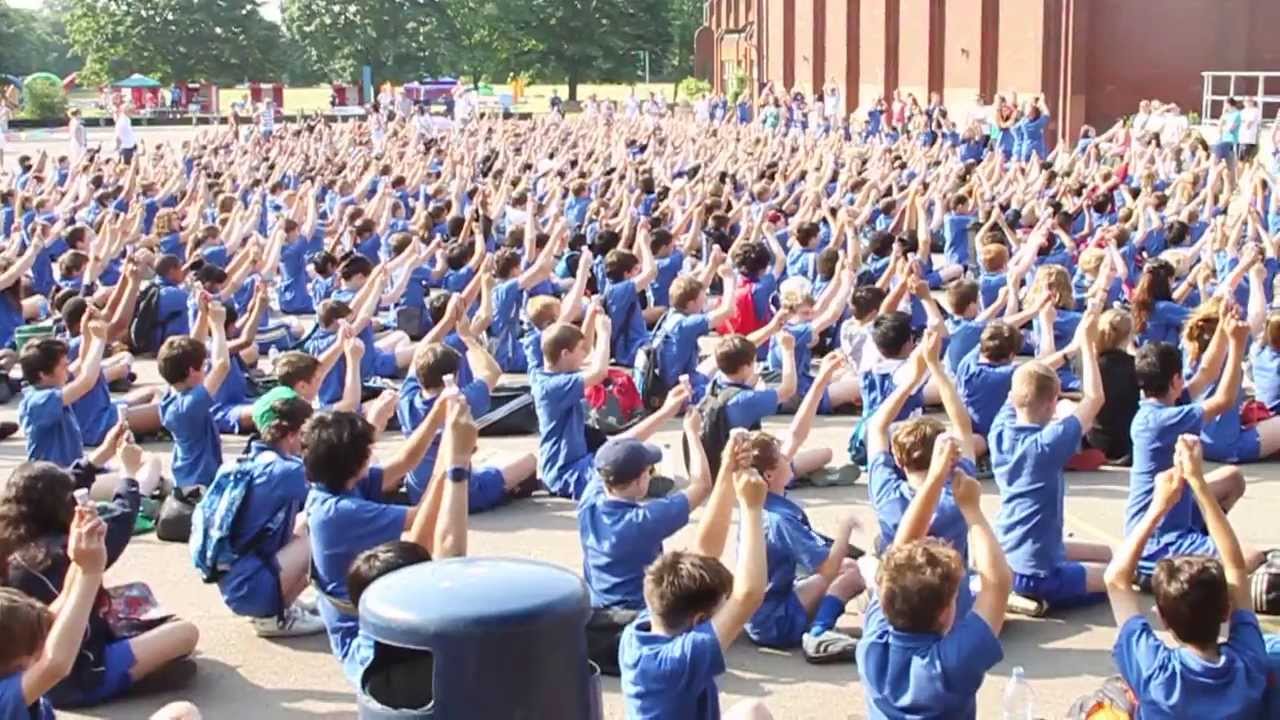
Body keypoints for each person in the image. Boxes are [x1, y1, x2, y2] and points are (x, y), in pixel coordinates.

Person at [0, 458, 199, 708]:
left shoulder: (12, 546)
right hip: (76, 676)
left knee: (137, 593)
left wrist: (82, 565)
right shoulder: (50, 554)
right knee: (186, 633)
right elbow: (56, 656)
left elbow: (52, 616)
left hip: (37, 664)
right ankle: (129, 677)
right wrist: (89, 569)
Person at [1104, 435, 1269, 717]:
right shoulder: (1249, 661)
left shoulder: (1157, 672)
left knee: (1108, 696)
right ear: (1226, 611)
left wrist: (1158, 507)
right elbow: (1235, 567)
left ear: (1163, 619)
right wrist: (1198, 483)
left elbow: (1116, 580)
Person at [857, 436, 1012, 719]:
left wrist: (935, 478)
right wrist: (972, 509)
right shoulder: (951, 664)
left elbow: (901, 549)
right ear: (945, 613)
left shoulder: (872, 645)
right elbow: (998, 585)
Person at [619, 440, 774, 720]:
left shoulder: (641, 631)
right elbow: (748, 596)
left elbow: (704, 551)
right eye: (720, 609)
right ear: (699, 620)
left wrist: (727, 471)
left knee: (752, 712)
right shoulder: (676, 662)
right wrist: (752, 509)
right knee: (755, 713)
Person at [741, 354, 866, 663]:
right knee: (851, 572)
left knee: (839, 563)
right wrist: (845, 531)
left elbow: (797, 433)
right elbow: (827, 568)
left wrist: (822, 380)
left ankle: (818, 619)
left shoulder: (758, 497)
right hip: (774, 621)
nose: (790, 460)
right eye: (783, 460)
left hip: (765, 607)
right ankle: (819, 633)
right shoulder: (778, 519)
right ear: (770, 475)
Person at [990, 301, 1113, 613]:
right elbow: (1095, 398)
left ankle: (1012, 589)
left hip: (1009, 554)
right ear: (1051, 404)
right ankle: (1033, 598)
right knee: (1120, 574)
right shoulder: (1047, 444)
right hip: (1039, 572)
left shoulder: (1000, 429)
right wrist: (1087, 346)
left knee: (1110, 553)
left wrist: (1073, 348)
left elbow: (1028, 377)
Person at [211, 391, 325, 637]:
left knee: (305, 523)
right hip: (250, 587)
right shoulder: (286, 471)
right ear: (292, 434)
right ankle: (273, 617)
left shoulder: (252, 459)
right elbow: (337, 491)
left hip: (237, 582)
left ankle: (282, 604)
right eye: (307, 434)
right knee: (324, 532)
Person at [0, 505, 104, 719]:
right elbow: (56, 663)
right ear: (21, 662)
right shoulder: (4, 697)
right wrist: (92, 572)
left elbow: (59, 609)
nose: (50, 638)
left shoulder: (13, 668)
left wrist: (80, 560)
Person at [157, 301, 229, 488]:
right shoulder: (189, 406)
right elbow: (222, 365)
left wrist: (203, 315)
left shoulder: (171, 395)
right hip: (199, 485)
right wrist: (218, 325)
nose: (205, 370)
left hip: (184, 477)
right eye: (203, 367)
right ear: (191, 371)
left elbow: (191, 350)